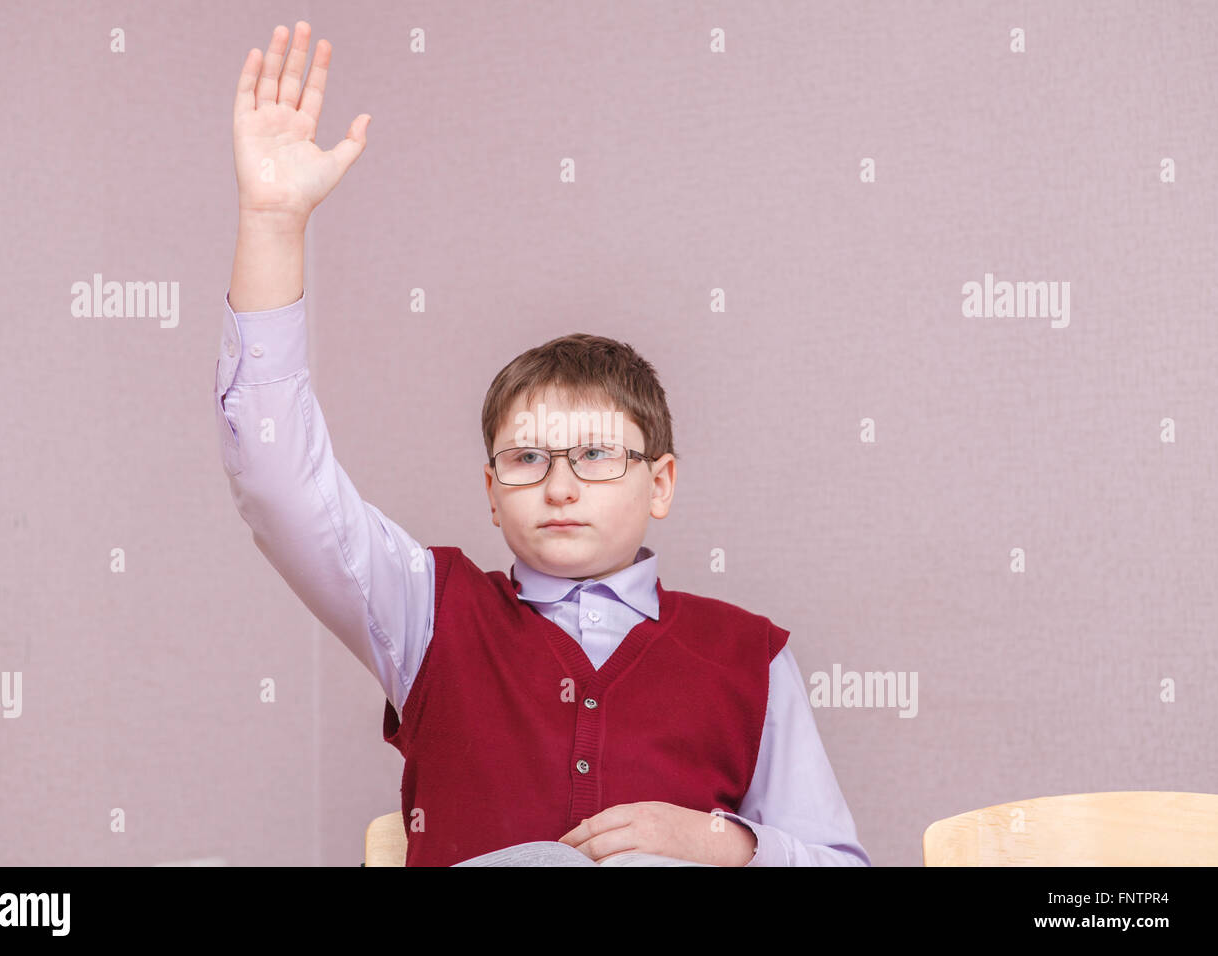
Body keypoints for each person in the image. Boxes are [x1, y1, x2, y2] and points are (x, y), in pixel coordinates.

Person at [217, 21, 871, 868]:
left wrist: (725, 841)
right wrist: (272, 225)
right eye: (527, 459)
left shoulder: (751, 655)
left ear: (661, 481)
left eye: (597, 455)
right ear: (491, 490)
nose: (560, 487)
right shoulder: (426, 614)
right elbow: (277, 483)